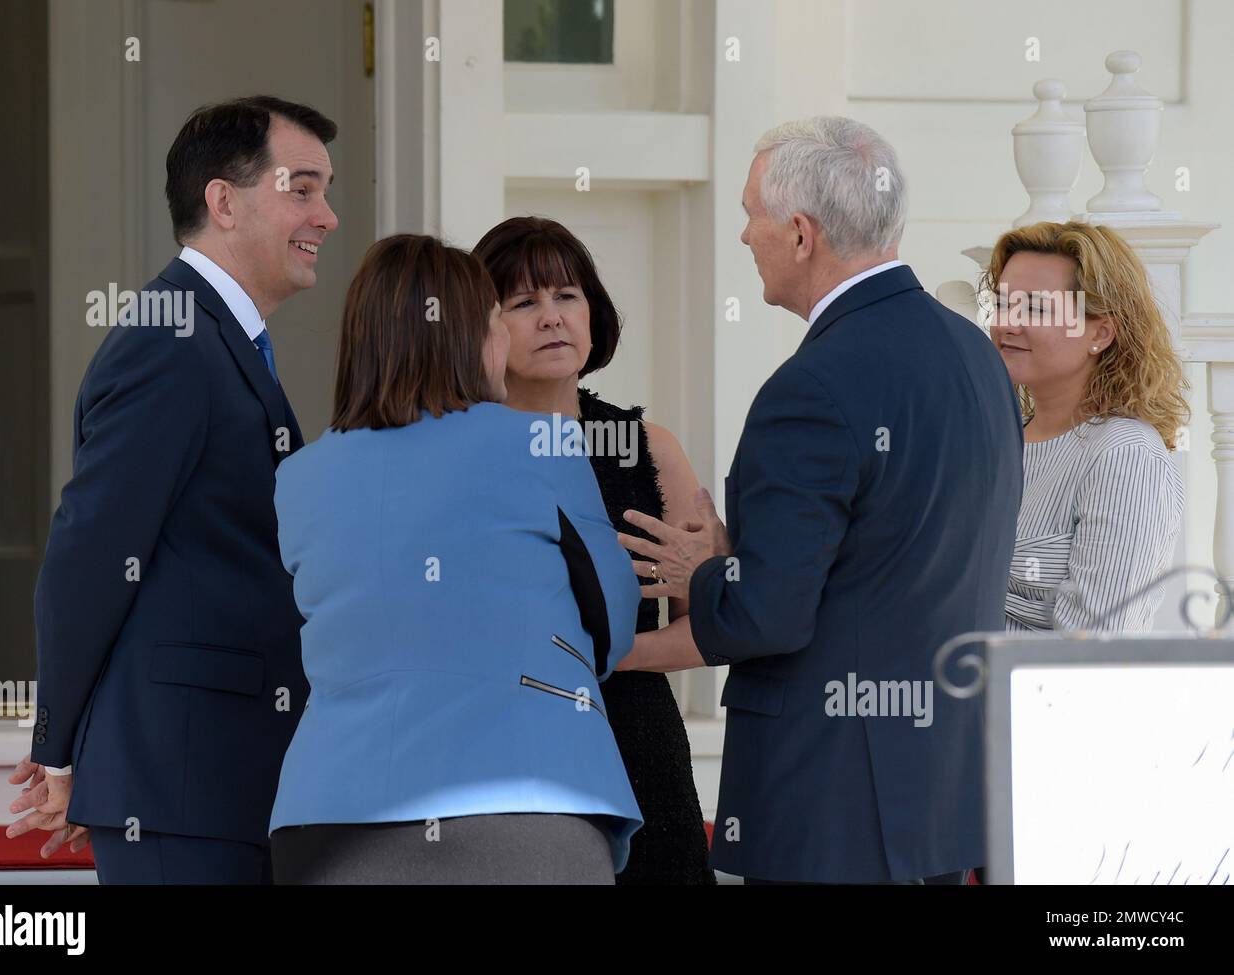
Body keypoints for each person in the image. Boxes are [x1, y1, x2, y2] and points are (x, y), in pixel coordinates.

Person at [617, 116, 1023, 884]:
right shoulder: (977, 354)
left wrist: (706, 570)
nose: (744, 236)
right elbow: (893, 559)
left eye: (751, 215)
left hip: (830, 801)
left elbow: (767, 614)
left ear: (801, 234)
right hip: (944, 793)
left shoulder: (812, 386)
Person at [6, 96, 339, 883]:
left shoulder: (218, 340)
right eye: (304, 187)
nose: (326, 215)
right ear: (223, 200)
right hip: (184, 786)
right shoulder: (171, 340)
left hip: (224, 783)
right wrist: (58, 746)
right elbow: (89, 555)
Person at [268, 234, 642, 885]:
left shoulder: (300, 477)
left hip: (330, 817)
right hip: (525, 806)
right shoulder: (542, 442)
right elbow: (611, 627)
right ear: (472, 336)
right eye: (500, 318)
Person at [472, 216, 715, 884]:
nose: (551, 317)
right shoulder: (455, 452)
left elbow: (711, 626)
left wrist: (617, 653)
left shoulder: (652, 448)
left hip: (639, 745)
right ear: (483, 326)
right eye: (524, 302)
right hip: (505, 753)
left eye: (566, 295)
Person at [985, 221, 1186, 631]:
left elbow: (1095, 649)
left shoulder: (1125, 455)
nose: (1008, 323)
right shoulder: (992, 442)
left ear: (1101, 332)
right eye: (1004, 304)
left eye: (1037, 308)